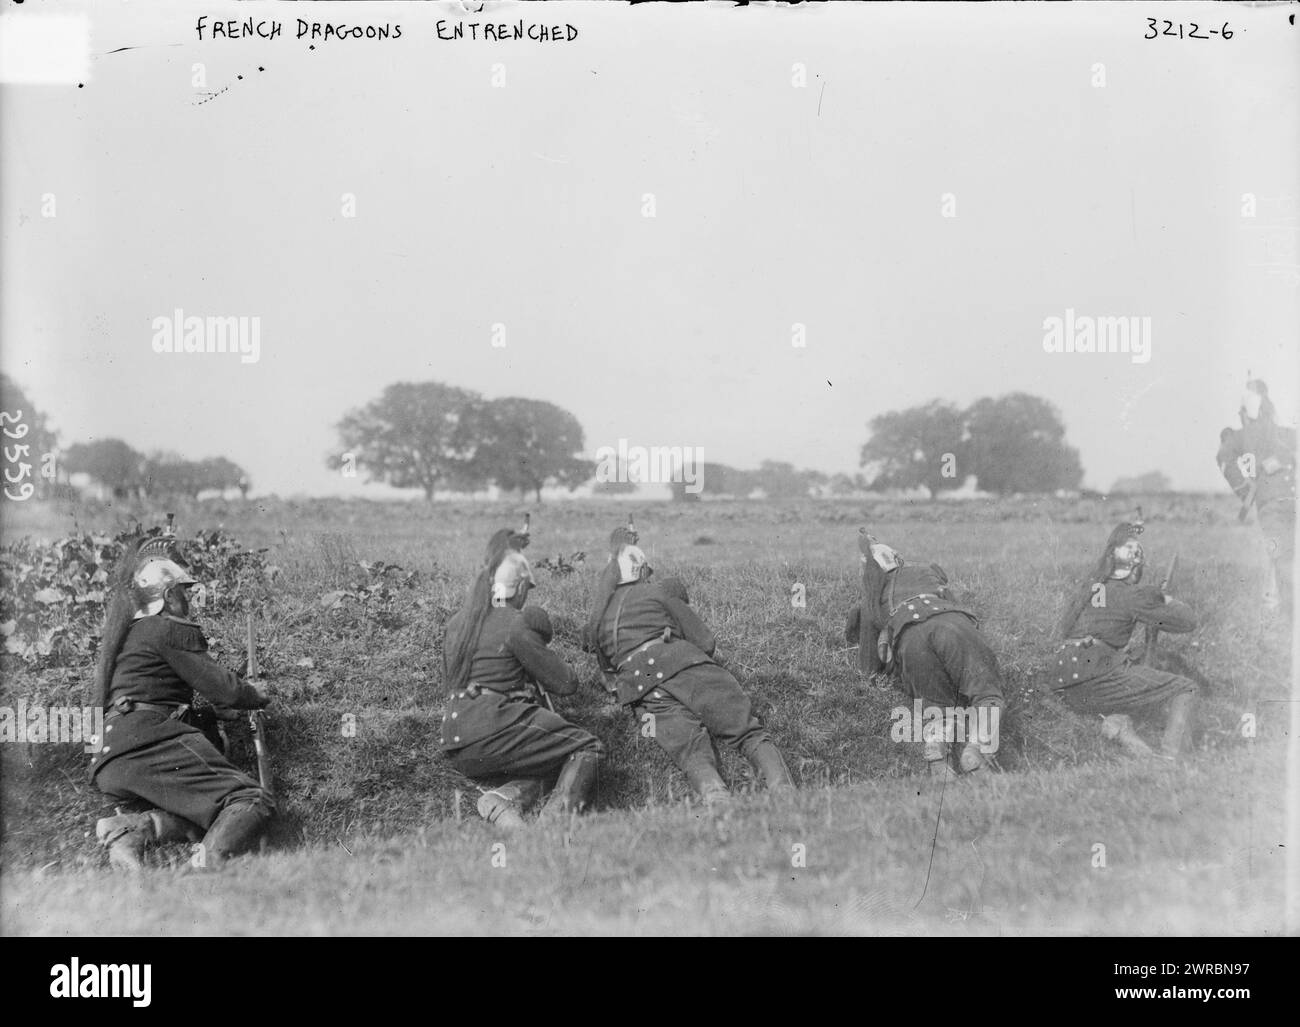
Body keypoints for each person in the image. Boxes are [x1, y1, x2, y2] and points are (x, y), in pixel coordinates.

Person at [91, 534, 273, 870]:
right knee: (251, 800)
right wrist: (255, 694)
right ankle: (199, 872)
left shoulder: (134, 634)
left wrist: (207, 713)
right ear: (169, 594)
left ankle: (132, 830)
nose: (187, 599)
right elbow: (227, 689)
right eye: (183, 591)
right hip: (145, 741)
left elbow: (151, 696)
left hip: (112, 753)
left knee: (210, 817)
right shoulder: (165, 628)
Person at [584, 523, 793, 807]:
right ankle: (784, 794)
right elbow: (705, 641)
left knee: (689, 750)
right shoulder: (656, 594)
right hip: (681, 665)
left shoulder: (599, 615)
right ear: (640, 571)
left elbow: (604, 661)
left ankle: (716, 797)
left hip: (641, 687)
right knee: (747, 731)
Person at [440, 525, 603, 828]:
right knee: (585, 746)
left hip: (456, 740)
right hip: (494, 729)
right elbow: (566, 684)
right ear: (519, 587)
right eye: (528, 588)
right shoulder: (514, 623)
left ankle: (503, 800)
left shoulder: (455, 624)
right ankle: (553, 827)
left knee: (551, 755)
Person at [845, 528, 1004, 778]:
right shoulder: (924, 570)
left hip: (909, 639)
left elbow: (867, 665)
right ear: (897, 559)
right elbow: (953, 599)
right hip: (949, 622)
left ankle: (938, 756)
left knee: (935, 707)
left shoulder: (871, 599)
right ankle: (977, 750)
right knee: (986, 692)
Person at [1051, 521, 1197, 759]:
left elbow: (1066, 630)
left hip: (1062, 680)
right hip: (1097, 676)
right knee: (1187, 688)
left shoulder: (1089, 588)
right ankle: (1172, 759)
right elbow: (1188, 621)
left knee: (1134, 683)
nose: (1135, 551)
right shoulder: (1134, 594)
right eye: (1131, 547)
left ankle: (1121, 729)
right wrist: (1165, 599)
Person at [1216, 379, 1296, 613]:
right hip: (1271, 506)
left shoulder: (1284, 434)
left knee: (1284, 555)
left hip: (1290, 501)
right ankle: (1285, 612)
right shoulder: (1240, 438)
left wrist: (1283, 459)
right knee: (1281, 556)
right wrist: (1245, 489)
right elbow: (1224, 459)